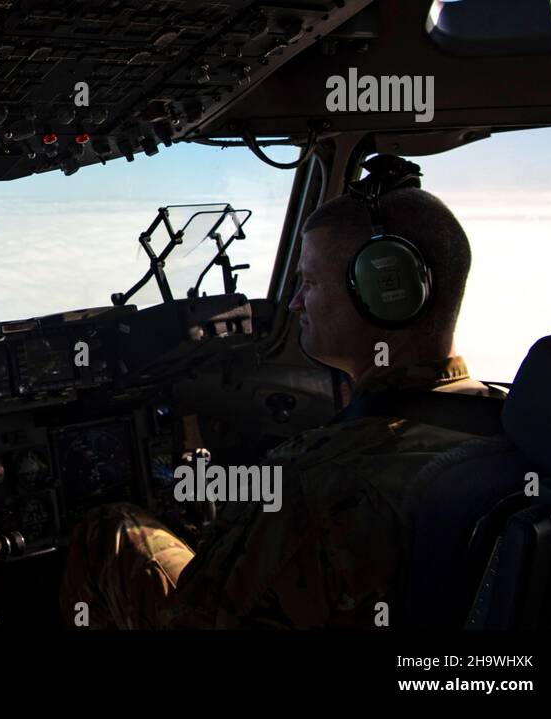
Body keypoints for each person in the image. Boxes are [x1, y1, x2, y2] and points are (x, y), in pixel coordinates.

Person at [60, 173, 498, 629]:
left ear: (386, 291)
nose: (293, 304)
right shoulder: (513, 423)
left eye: (308, 283)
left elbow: (198, 616)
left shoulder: (311, 484)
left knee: (109, 531)